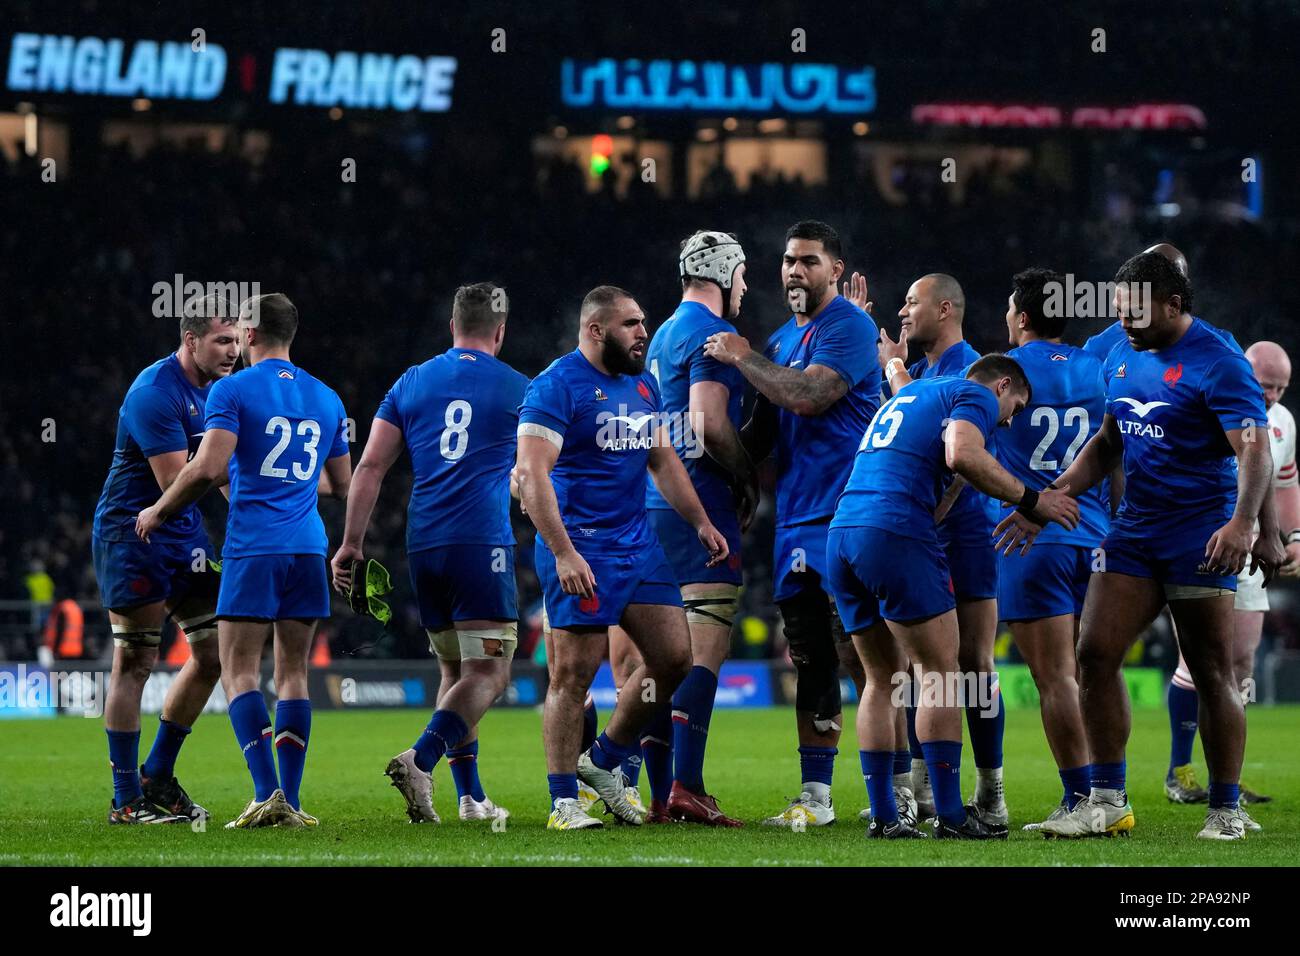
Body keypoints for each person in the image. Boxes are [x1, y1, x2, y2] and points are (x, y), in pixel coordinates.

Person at [1002, 253, 1284, 840]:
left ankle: (1225, 809)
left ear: (1175, 306)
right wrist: (1047, 499)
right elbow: (1108, 443)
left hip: (1200, 533)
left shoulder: (1219, 361)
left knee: (1210, 670)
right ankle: (1107, 798)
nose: (1124, 323)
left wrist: (1243, 525)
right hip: (1134, 530)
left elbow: (1255, 451)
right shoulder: (1124, 355)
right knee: (1094, 655)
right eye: (1119, 311)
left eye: (1136, 311)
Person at [827, 354, 1079, 838]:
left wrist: (894, 364)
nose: (1009, 418)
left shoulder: (917, 393)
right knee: (941, 674)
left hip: (844, 532)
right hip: (895, 529)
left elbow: (943, 462)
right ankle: (950, 815)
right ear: (1002, 385)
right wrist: (1034, 499)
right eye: (1016, 405)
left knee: (881, 680)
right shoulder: (975, 395)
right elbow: (962, 453)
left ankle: (884, 816)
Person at [515, 285, 728, 830]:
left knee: (676, 658)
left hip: (639, 546)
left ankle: (604, 759)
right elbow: (531, 476)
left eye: (643, 322)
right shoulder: (555, 386)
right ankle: (564, 801)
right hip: (582, 548)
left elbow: (662, 459)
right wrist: (563, 553)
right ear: (595, 330)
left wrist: (701, 520)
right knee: (572, 676)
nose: (642, 333)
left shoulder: (642, 383)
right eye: (631, 324)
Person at [137, 293, 352, 829]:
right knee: (295, 673)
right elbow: (342, 484)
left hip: (254, 547)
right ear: (293, 334)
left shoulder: (232, 390)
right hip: (308, 546)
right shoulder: (327, 397)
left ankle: (265, 793)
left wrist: (160, 510)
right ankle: (294, 802)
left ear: (251, 335)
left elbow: (208, 469)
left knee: (238, 670)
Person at [704, 220, 880, 828]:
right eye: (785, 261)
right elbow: (758, 436)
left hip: (846, 515)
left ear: (835, 270)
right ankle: (817, 796)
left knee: (864, 656)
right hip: (794, 525)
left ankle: (905, 789)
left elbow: (809, 396)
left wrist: (741, 354)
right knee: (810, 658)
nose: (793, 272)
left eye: (807, 261)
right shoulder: (781, 339)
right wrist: (706, 464)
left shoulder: (849, 328)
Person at [331, 283, 526, 824]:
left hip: (425, 543)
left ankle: (470, 797)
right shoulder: (519, 388)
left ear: (452, 326)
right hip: (480, 541)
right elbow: (536, 467)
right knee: (489, 673)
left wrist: (351, 543)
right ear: (501, 331)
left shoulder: (411, 381)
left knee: (455, 670)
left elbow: (369, 468)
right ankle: (420, 758)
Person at [91, 292, 238, 824]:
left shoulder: (221, 391)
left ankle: (157, 774)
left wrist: (249, 518)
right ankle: (125, 798)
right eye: (222, 340)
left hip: (185, 534)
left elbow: (219, 473)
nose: (233, 350)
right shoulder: (155, 393)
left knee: (215, 653)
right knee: (134, 662)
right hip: (135, 535)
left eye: (239, 339)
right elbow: (177, 480)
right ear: (191, 339)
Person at [878, 274, 1005, 828]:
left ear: (946, 308)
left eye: (912, 302)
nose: (903, 312)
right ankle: (923, 789)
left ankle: (990, 788)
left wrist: (925, 520)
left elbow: (960, 462)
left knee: (973, 663)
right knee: (916, 665)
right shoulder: (926, 372)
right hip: (923, 534)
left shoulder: (972, 370)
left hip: (965, 533)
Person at [638, 230, 756, 827]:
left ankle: (660, 792)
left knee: (666, 657)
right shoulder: (714, 338)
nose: (746, 287)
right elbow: (709, 424)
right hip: (702, 505)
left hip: (654, 503)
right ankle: (687, 785)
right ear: (726, 273)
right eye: (743, 274)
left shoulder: (658, 334)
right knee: (703, 650)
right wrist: (747, 478)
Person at [991, 268, 1109, 830]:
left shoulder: (1000, 373)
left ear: (1020, 318)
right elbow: (1119, 450)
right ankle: (1111, 797)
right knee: (1098, 674)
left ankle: (1081, 800)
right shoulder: (1097, 368)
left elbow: (965, 452)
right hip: (1100, 535)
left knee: (1057, 678)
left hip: (1030, 536)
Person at [1163, 340, 1298, 812]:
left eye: (1281, 389)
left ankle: (1228, 775)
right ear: (1244, 371)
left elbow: (1285, 481)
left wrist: (1291, 535)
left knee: (1241, 664)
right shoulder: (1212, 401)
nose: (1273, 397)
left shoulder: (1282, 422)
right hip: (1208, 541)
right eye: (1266, 386)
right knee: (1198, 663)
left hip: (1254, 549)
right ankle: (1180, 769)